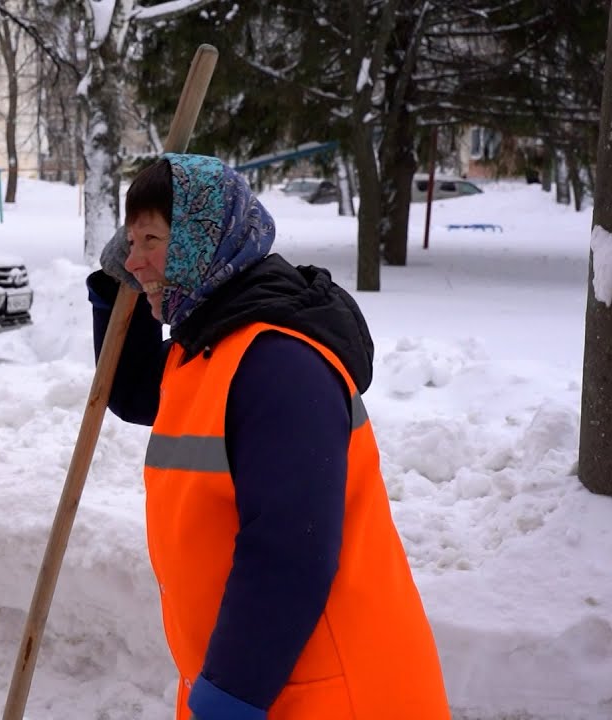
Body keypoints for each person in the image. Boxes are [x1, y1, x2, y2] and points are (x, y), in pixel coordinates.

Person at [88, 154, 449, 720]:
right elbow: (134, 392)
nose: (136, 260)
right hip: (262, 685)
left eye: (152, 240)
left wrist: (232, 692)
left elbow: (291, 546)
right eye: (129, 243)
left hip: (328, 693)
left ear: (204, 242)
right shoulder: (207, 342)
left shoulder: (278, 362)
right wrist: (118, 285)